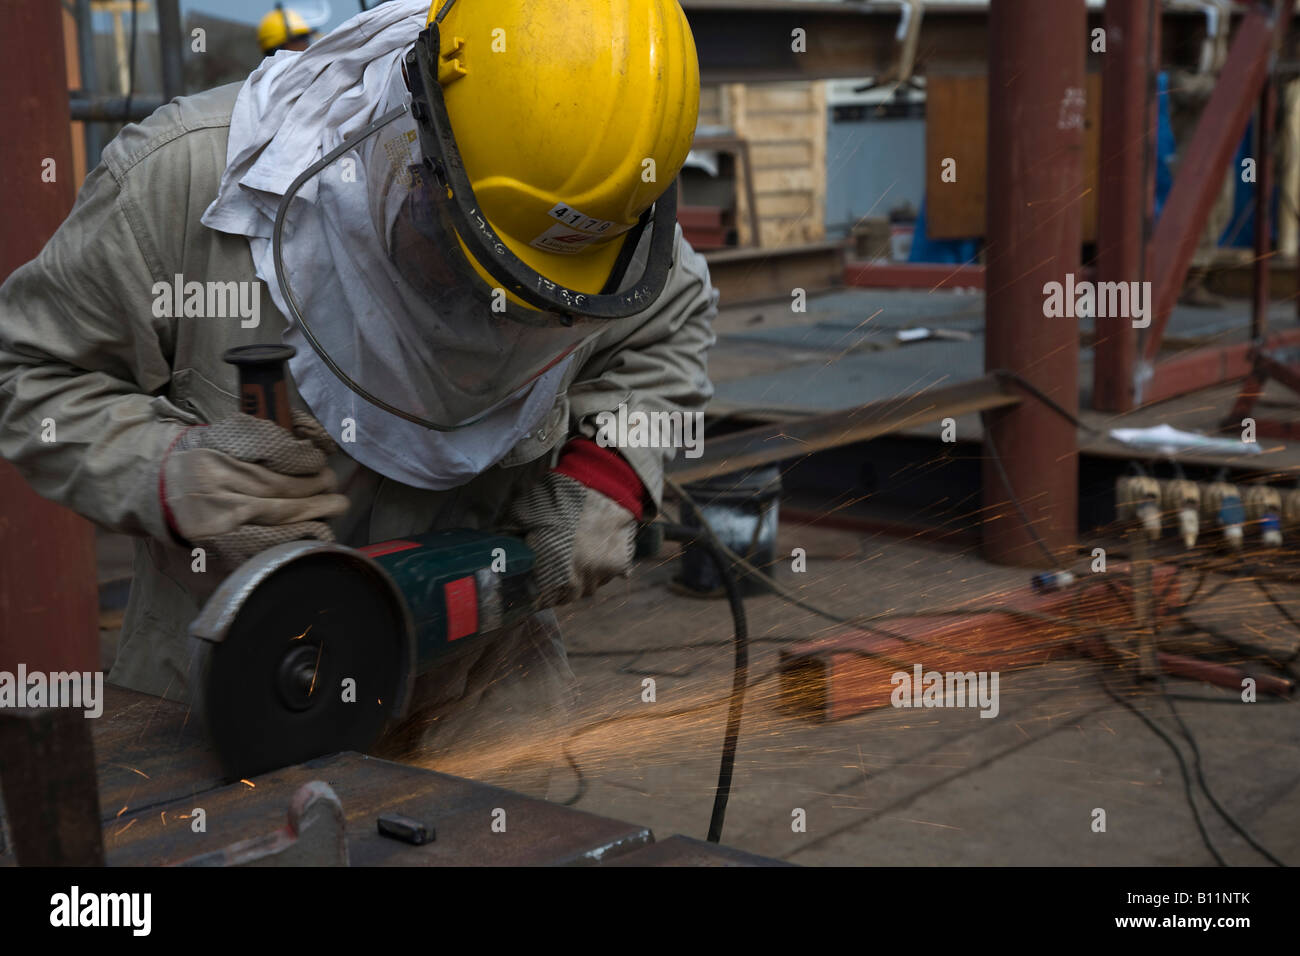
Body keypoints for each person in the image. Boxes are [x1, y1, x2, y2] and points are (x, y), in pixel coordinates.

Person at [0, 0, 716, 796]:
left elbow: (670, 329)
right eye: (468, 262)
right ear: (411, 136)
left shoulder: (595, 223)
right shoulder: (187, 181)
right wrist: (165, 471)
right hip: (221, 704)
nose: (485, 321)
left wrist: (610, 471)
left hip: (482, 705)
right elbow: (27, 373)